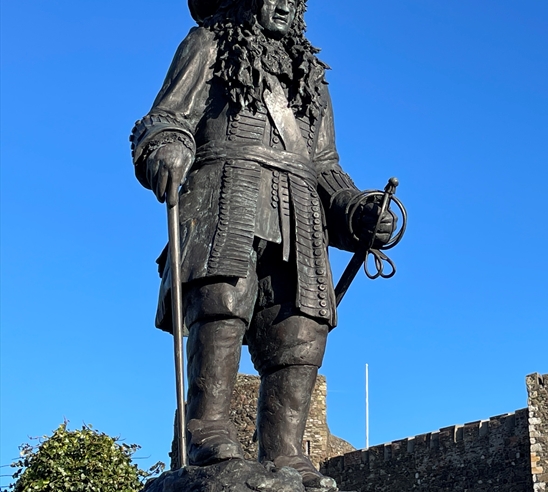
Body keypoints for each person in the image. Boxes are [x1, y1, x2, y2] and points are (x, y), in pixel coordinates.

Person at [129, 0, 396, 486]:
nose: (283, 5)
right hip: (229, 191)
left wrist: (359, 210)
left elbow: (326, 166)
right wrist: (168, 145)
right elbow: (165, 117)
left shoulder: (311, 82)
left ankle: (286, 451)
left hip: (299, 210)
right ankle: (206, 425)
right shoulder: (206, 46)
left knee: (301, 329)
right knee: (223, 299)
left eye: (294, 0)